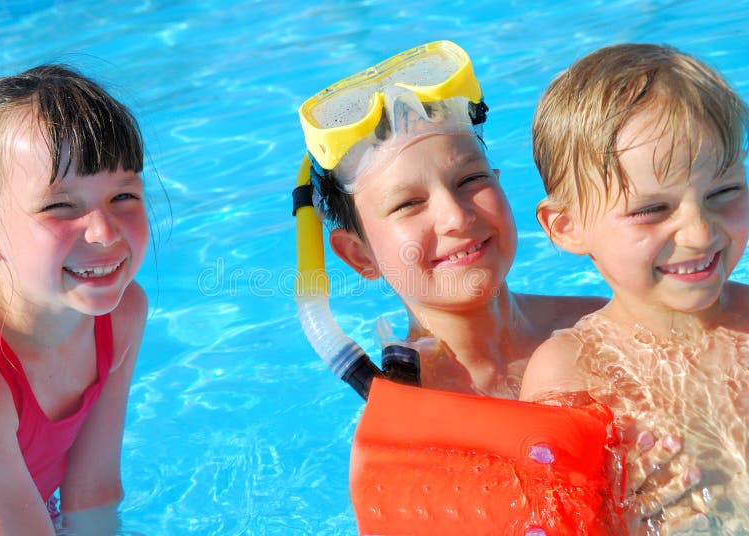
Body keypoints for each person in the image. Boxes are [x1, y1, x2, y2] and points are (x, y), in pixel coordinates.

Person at [297, 40, 697, 533]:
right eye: (407, 204)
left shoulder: (604, 326)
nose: (454, 214)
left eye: (470, 179)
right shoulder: (400, 454)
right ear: (359, 255)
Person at [521, 43, 749, 533]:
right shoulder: (573, 371)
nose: (700, 232)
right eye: (652, 210)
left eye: (723, 192)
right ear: (566, 226)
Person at [0, 65, 148, 534]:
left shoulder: (122, 311)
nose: (104, 233)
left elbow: (93, 492)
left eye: (123, 195)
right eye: (60, 206)